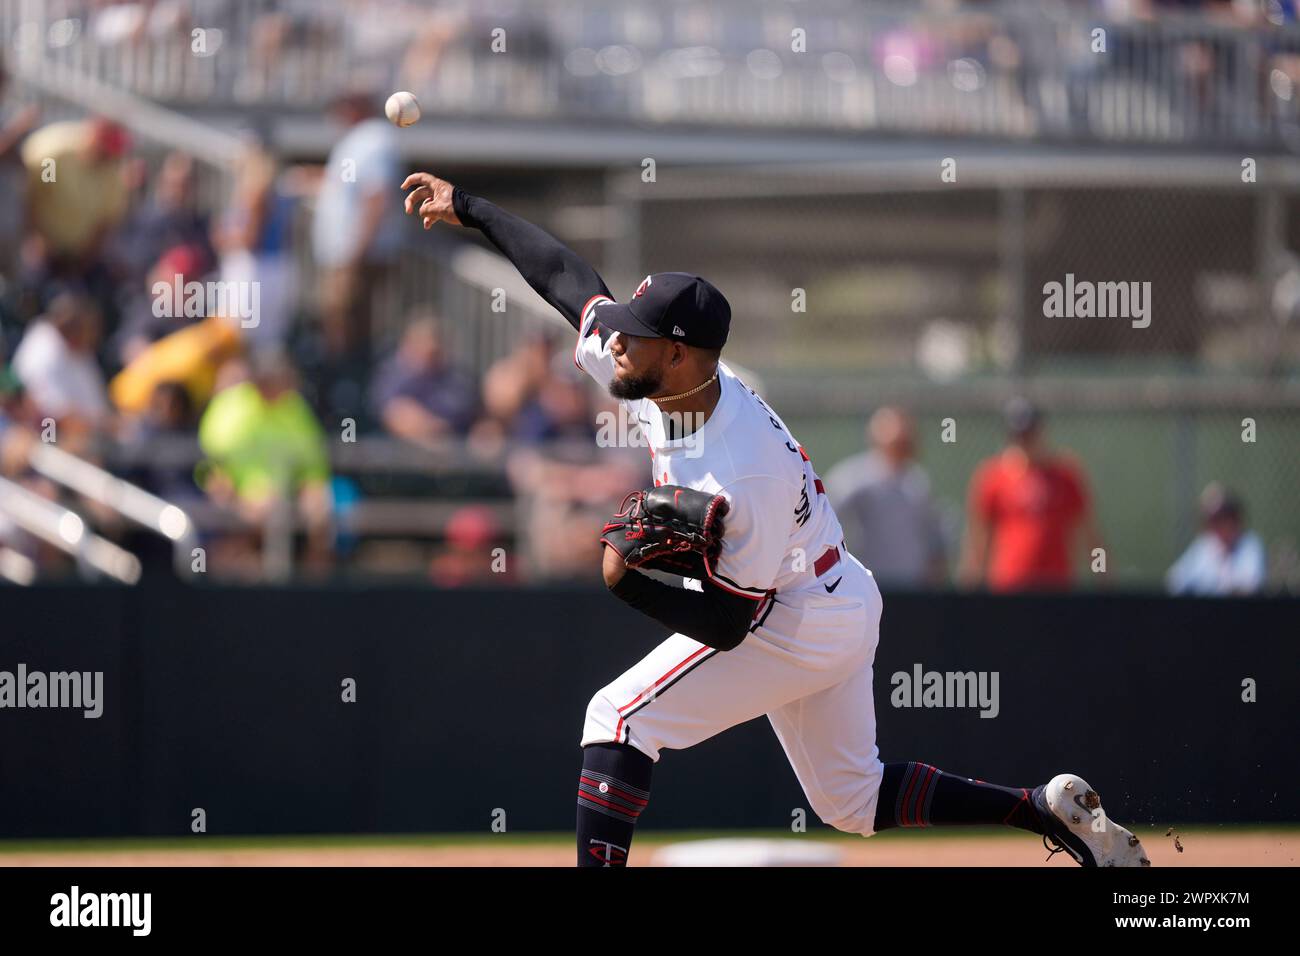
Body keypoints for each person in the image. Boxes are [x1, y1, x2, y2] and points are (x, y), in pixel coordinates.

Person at [402, 170, 1150, 868]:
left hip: (791, 612)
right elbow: (569, 279)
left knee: (619, 719)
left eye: (636, 333)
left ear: (684, 354)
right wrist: (467, 206)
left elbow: (731, 625)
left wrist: (628, 582)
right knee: (853, 802)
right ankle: (1042, 812)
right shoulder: (659, 375)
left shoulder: (739, 469)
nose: (616, 341)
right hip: (837, 591)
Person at [960, 398, 1103, 592]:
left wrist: (1104, 581)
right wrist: (969, 591)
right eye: (1018, 435)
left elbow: (1090, 537)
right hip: (1009, 590)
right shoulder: (992, 476)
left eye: (1029, 433)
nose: (1024, 441)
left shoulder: (1066, 474)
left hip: (1056, 590)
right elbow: (978, 544)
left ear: (1041, 431)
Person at [824, 406, 947, 587]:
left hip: (913, 583)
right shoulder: (855, 478)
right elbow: (825, 515)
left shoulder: (917, 481)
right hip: (871, 582)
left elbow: (932, 535)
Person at [1166, 483, 1266, 596]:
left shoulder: (1250, 545)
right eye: (1210, 519)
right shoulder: (1204, 545)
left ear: (1233, 517)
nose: (1213, 524)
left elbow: (1249, 585)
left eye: (1219, 518)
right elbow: (1175, 580)